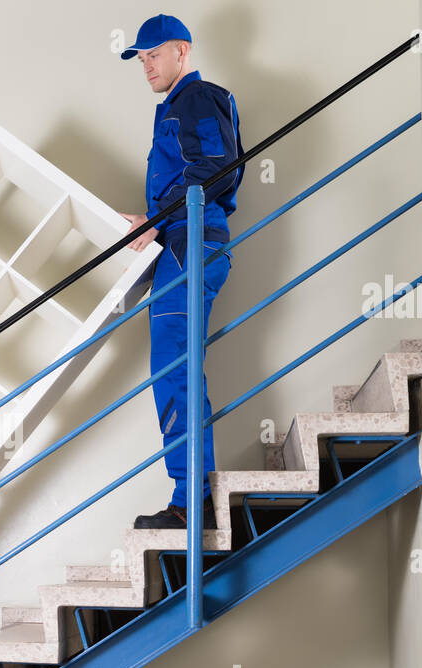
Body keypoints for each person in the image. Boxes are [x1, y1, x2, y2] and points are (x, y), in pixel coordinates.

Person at [119, 14, 244, 530]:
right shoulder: (174, 106)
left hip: (191, 242)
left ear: (182, 51)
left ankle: (191, 502)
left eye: (154, 54)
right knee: (175, 367)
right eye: (141, 58)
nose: (146, 66)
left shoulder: (196, 98)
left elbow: (218, 168)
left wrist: (159, 218)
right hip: (179, 242)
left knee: (174, 368)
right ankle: (189, 496)